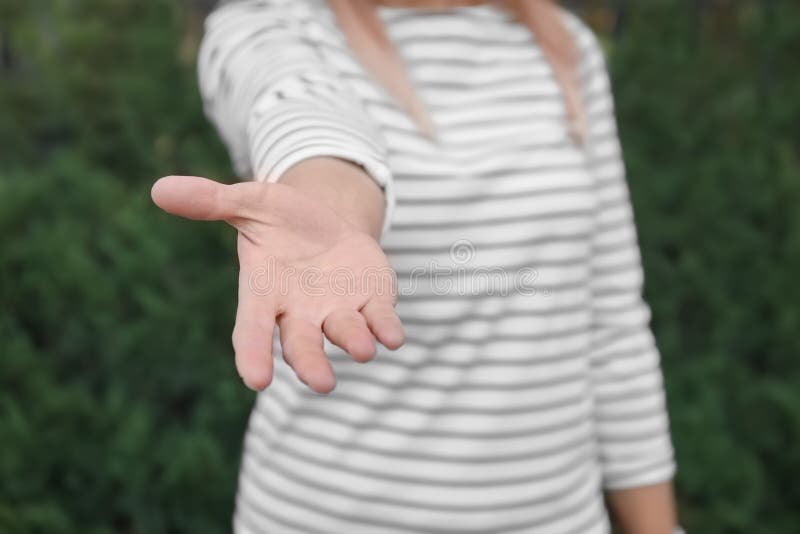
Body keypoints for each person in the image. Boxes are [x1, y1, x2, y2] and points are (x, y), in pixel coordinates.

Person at [151, 0, 681, 532]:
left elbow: (613, 327)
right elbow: (301, 108)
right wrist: (330, 206)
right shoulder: (268, 25)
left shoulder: (562, 45)